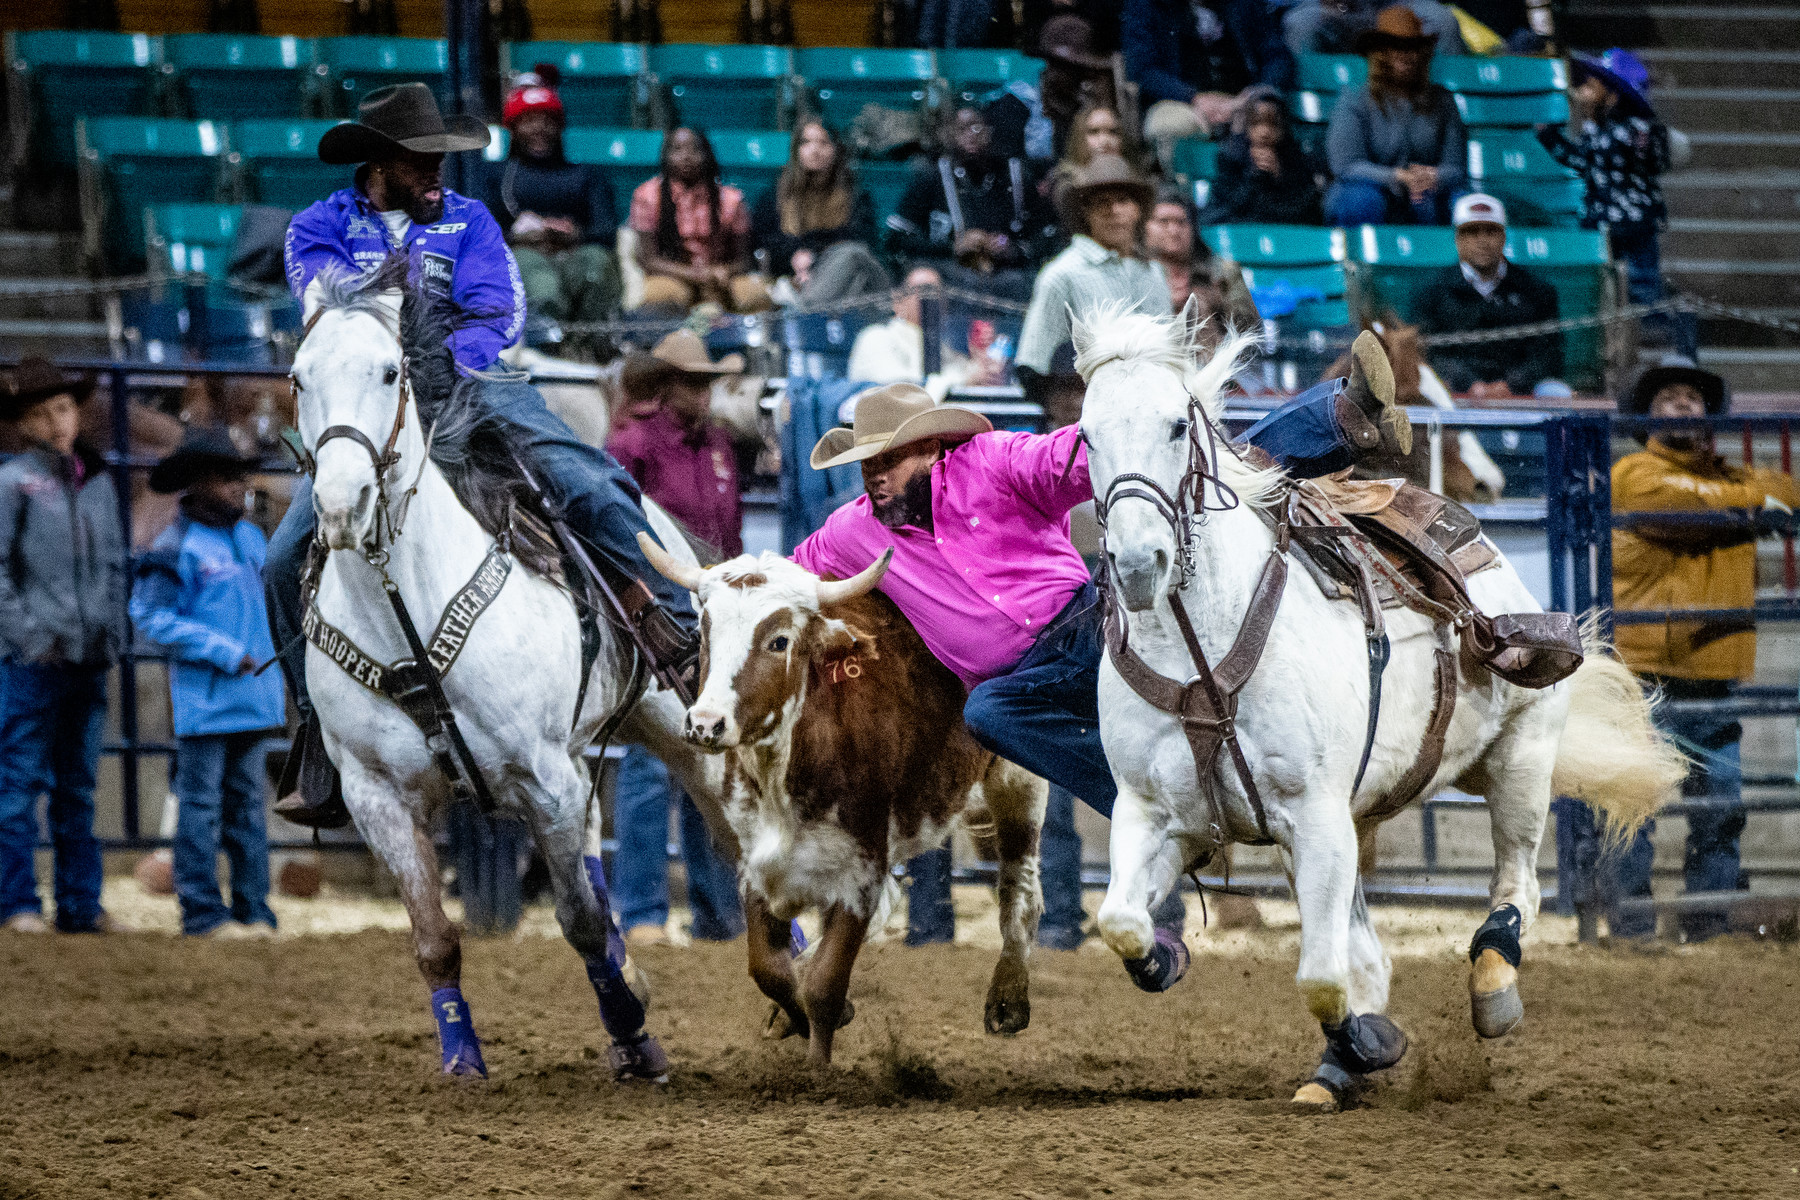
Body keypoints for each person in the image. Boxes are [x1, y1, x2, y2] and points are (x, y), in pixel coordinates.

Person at [796, 341, 1409, 967]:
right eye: (868, 462)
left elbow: (1093, 452)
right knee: (985, 712)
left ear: (933, 450)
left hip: (1090, 631)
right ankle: (1158, 823)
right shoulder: (851, 531)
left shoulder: (994, 462)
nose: (875, 475)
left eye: (890, 459)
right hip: (1019, 683)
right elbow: (785, 576)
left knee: (1193, 461)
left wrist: (1133, 434)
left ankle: (1340, 416)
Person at [269, 83, 700, 827]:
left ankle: (671, 632)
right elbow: (329, 312)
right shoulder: (318, 228)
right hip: (370, 412)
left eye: (440, 156)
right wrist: (392, 373)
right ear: (379, 161)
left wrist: (443, 365)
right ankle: (315, 727)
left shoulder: (469, 222)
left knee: (589, 478)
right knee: (280, 560)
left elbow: (498, 311)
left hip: (470, 388)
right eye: (419, 159)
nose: (437, 170)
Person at [1606, 358, 1797, 941]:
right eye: (1669, 399)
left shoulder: (1722, 476)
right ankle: (1631, 925)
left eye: (1693, 397)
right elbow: (1678, 510)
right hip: (1647, 670)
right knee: (1634, 806)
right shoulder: (1634, 472)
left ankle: (1707, 919)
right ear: (1647, 415)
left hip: (1710, 671)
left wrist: (1744, 500)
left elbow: (1787, 488)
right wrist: (1751, 508)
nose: (1685, 404)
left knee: (1719, 804)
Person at [606, 331, 748, 947]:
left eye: (708, 382)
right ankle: (641, 913)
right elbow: (611, 529)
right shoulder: (632, 443)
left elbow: (729, 529)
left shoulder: (716, 442)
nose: (704, 393)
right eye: (693, 382)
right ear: (666, 385)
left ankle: (716, 915)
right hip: (653, 618)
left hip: (713, 613)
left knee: (709, 755)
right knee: (650, 760)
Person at [132, 427, 284, 939]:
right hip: (207, 702)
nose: (239, 487)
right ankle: (202, 913)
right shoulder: (176, 545)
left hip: (252, 698)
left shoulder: (251, 538)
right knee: (201, 810)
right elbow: (149, 615)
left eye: (239, 477)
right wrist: (222, 651)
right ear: (199, 484)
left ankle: (254, 909)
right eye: (226, 479)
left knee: (245, 809)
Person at [0, 358, 124, 935]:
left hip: (88, 651)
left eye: (64, 408)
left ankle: (79, 904)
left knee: (75, 785)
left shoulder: (95, 481)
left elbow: (117, 564)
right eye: (43, 413)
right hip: (36, 657)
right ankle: (18, 903)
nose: (57, 422)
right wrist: (28, 636)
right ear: (24, 423)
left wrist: (113, 625)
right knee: (21, 782)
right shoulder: (12, 482)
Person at [1536, 50, 1683, 354]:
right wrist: (1551, 139)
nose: (1584, 91)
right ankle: (1612, 344)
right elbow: (1584, 162)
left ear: (1614, 95)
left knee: (1643, 285)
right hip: (1601, 222)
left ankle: (1653, 341)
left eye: (1593, 86)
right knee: (1606, 288)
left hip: (1635, 221)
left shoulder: (1637, 129)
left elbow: (1618, 155)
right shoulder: (1597, 127)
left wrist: (1589, 118)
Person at [1016, 155, 1169, 426]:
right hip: (1090, 421)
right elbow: (1032, 367)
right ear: (1086, 213)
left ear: (1137, 210)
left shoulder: (1153, 273)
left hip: (1150, 417)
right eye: (1102, 203)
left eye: (1122, 201)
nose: (1113, 211)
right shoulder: (1062, 274)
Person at [477, 66, 622, 350]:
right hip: (524, 254)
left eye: (548, 120)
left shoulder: (585, 175)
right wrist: (520, 238)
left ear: (559, 126)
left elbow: (607, 231)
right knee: (541, 285)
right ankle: (547, 355)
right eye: (529, 121)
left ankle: (593, 350)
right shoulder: (496, 176)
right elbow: (482, 233)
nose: (539, 129)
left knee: (596, 266)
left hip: (575, 254)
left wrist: (573, 236)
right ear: (514, 128)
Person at [886, 106, 1057, 303]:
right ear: (948, 134)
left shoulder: (1014, 175)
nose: (970, 135)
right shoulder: (932, 176)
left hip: (1008, 277)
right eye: (961, 129)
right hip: (950, 275)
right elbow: (896, 239)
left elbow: (1046, 235)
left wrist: (1011, 248)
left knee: (1025, 282)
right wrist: (953, 247)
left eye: (976, 127)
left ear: (989, 130)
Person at [1323, 6, 1468, 227]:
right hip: (1369, 189)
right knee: (1361, 199)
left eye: (1413, 47)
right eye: (1397, 46)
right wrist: (1398, 177)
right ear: (1381, 52)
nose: (1406, 54)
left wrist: (1433, 176)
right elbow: (1346, 165)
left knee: (1462, 203)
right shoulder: (1354, 98)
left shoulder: (1443, 100)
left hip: (1426, 192)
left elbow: (1456, 167)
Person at [1414, 193, 1566, 397]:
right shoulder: (1431, 291)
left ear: (1504, 237)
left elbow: (1549, 354)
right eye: (1472, 232)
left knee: (1557, 393)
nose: (1482, 240)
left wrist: (1511, 385)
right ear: (1458, 239)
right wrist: (1469, 384)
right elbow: (1427, 353)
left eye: (1491, 231)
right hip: (1454, 389)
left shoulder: (1536, 290)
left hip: (1521, 390)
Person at [1123, 0, 1285, 169]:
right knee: (1167, 126)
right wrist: (1193, 97)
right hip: (1180, 101)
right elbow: (1142, 69)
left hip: (1243, 101)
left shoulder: (1245, 4)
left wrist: (1255, 95)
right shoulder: (1147, 5)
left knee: (1268, 119)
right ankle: (1180, 192)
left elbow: (1278, 56)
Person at [630, 127, 771, 314]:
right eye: (677, 149)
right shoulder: (647, 196)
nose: (686, 156)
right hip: (672, 275)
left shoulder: (731, 200)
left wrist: (724, 271)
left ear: (707, 155)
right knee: (659, 295)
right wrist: (692, 274)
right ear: (666, 156)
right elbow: (649, 259)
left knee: (755, 294)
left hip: (721, 277)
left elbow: (744, 259)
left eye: (694, 149)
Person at [749, 120, 889, 307]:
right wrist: (794, 256)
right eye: (806, 142)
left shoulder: (855, 195)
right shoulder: (774, 195)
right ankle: (807, 308)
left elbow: (861, 241)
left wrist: (814, 258)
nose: (815, 150)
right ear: (795, 150)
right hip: (793, 278)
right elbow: (764, 242)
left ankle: (805, 310)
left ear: (836, 149)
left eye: (823, 143)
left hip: (842, 275)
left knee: (852, 254)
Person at [847, 265, 997, 401]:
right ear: (898, 300)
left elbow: (969, 376)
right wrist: (965, 380)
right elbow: (902, 392)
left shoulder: (947, 351)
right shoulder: (876, 338)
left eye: (937, 292)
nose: (930, 298)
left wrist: (986, 369)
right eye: (921, 290)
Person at [1144, 187, 1261, 339]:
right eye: (1163, 221)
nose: (1174, 231)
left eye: (1181, 222)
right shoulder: (1133, 270)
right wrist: (1165, 305)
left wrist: (1215, 300)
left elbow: (1251, 331)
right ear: (1145, 226)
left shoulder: (1220, 270)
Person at [1197, 87, 1325, 226]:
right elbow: (1230, 205)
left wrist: (1279, 176)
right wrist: (1255, 176)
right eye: (1257, 123)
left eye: (1273, 124)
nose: (1264, 132)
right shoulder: (1231, 157)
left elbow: (1305, 209)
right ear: (1247, 125)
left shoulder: (1298, 159)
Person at [1042, 101, 1146, 228]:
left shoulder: (1136, 179)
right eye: (1094, 132)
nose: (1105, 141)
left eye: (1113, 132)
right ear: (1079, 137)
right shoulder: (1065, 182)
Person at [1284, 0, 1466, 57]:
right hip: (1343, 10)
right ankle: (1306, 114)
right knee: (1301, 23)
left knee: (1443, 21)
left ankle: (1450, 107)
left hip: (1397, 4)